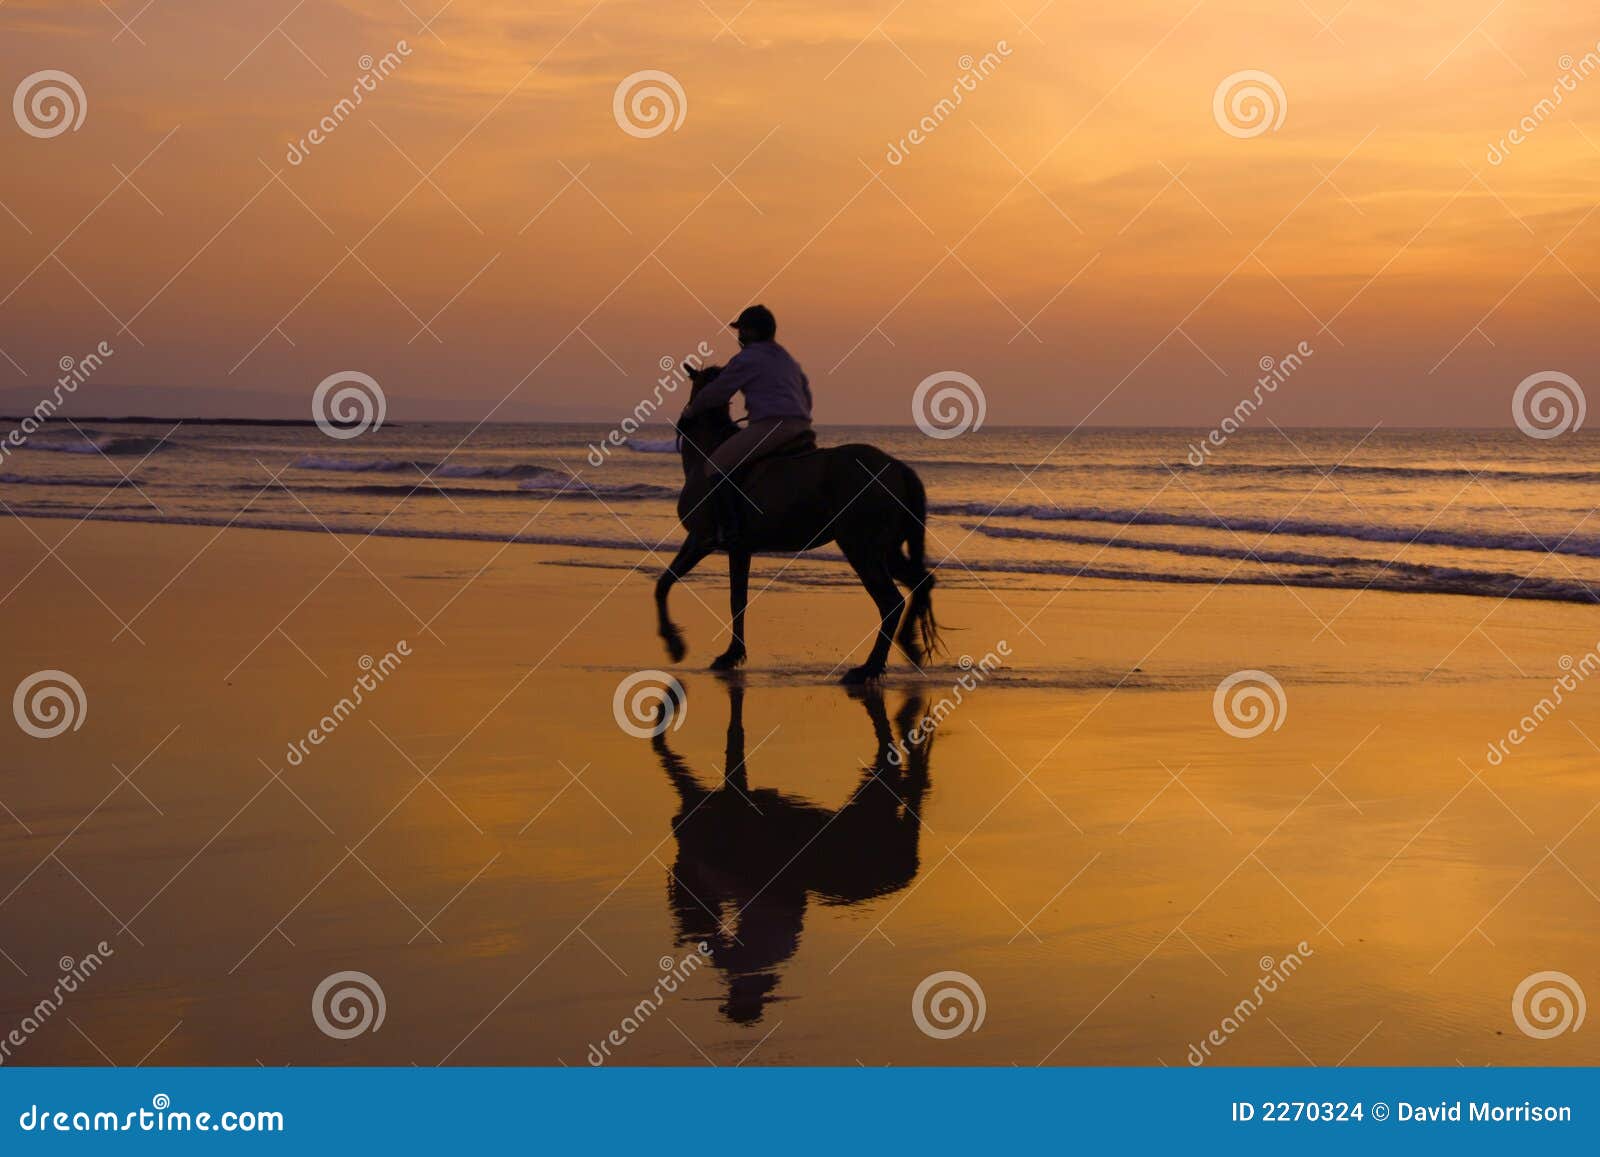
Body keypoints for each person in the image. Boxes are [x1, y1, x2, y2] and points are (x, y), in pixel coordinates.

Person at [681, 304, 814, 549]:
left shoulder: (747, 357)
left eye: (741, 330)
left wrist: (692, 410)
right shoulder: (786, 358)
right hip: (802, 428)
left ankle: (728, 531)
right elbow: (806, 394)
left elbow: (718, 393)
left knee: (714, 466)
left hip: (772, 427)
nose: (739, 335)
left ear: (751, 332)